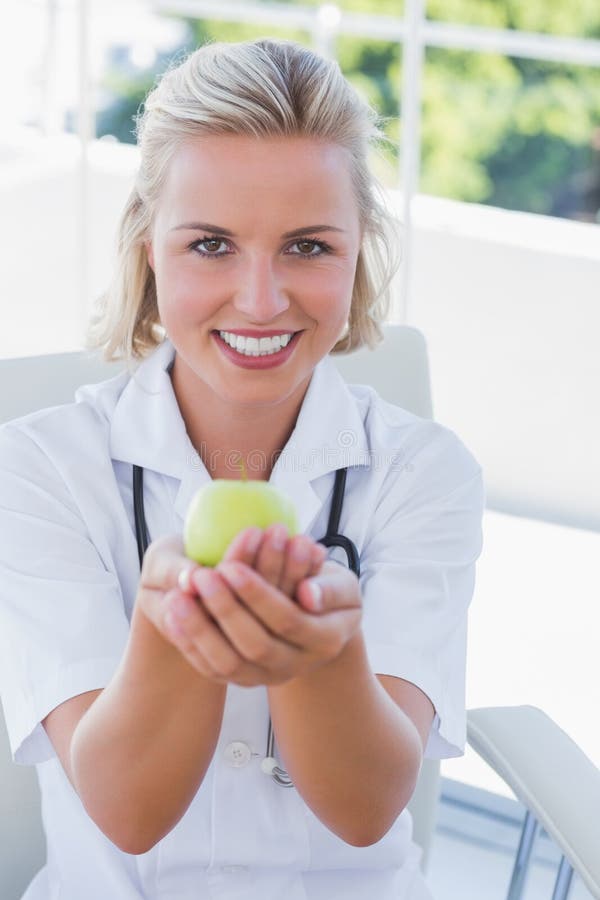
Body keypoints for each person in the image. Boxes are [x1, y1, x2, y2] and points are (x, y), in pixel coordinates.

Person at [0, 38, 484, 900]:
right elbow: (128, 810)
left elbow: (369, 808)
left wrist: (322, 657)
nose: (261, 300)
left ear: (358, 254)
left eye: (307, 247)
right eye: (212, 245)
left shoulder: (424, 473)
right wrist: (171, 627)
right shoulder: (37, 469)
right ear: (149, 247)